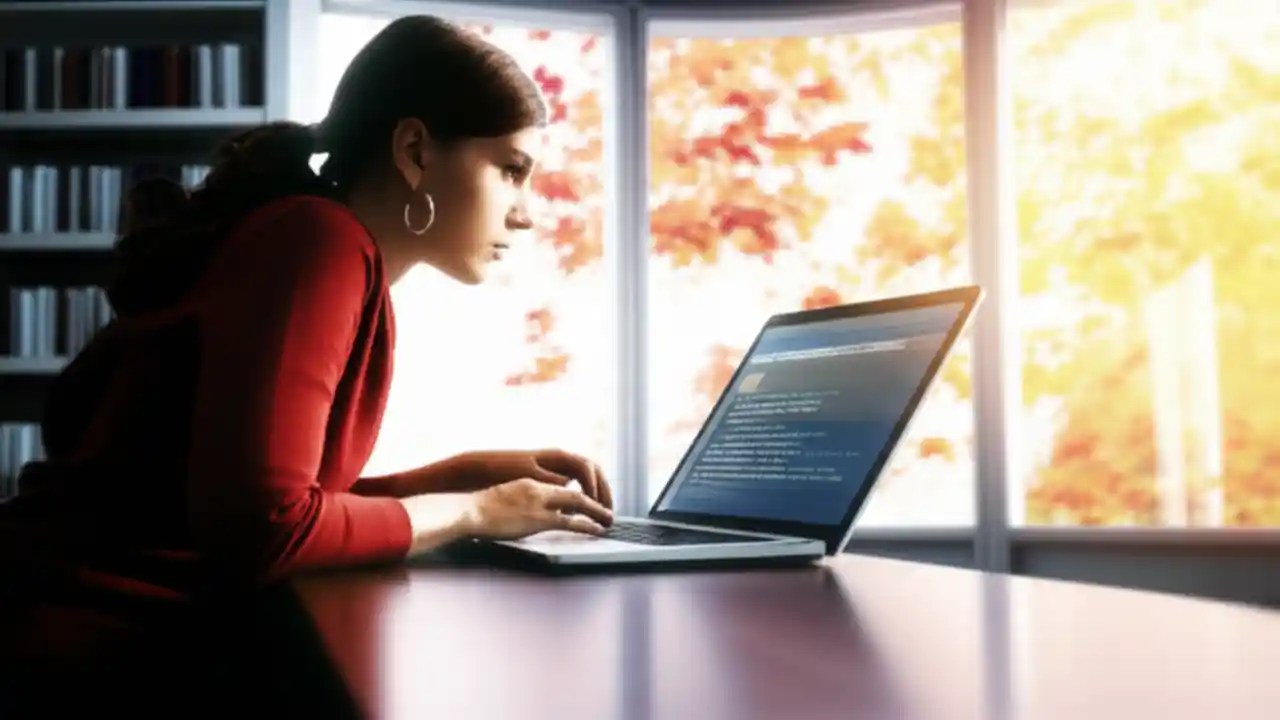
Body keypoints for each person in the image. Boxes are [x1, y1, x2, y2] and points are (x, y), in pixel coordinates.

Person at [0, 14, 614, 707]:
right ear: (415, 151)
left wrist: (454, 479)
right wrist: (473, 510)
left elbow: (264, 506)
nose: (525, 213)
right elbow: (266, 529)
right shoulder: (319, 243)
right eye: (511, 170)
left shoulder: (316, 243)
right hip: (81, 660)